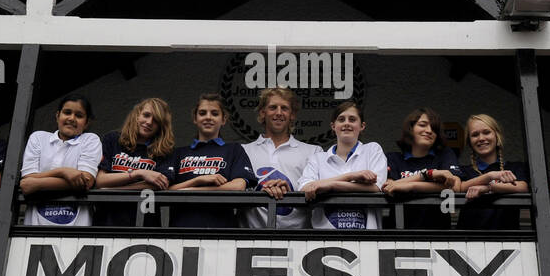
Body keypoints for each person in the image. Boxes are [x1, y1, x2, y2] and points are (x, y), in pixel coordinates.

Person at [166, 94, 257, 228]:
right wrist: (198, 180)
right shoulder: (178, 153)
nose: (208, 117)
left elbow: (238, 186)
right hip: (181, 228)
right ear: (195, 118)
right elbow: (166, 190)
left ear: (224, 119)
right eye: (202, 113)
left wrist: (191, 190)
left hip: (221, 230)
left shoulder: (233, 150)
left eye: (214, 113)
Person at [299, 101, 388, 230]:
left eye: (352, 119)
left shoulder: (372, 150)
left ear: (362, 126)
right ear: (333, 126)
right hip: (325, 238)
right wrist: (351, 176)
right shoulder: (317, 158)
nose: (347, 123)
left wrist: (330, 185)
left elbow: (377, 187)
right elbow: (305, 188)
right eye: (341, 119)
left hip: (368, 238)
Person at [20, 93, 103, 226]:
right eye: (67, 112)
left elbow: (86, 181)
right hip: (35, 225)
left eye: (79, 115)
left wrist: (38, 183)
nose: (72, 118)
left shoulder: (90, 140)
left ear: (87, 123)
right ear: (57, 115)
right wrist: (63, 172)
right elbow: (27, 181)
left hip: (77, 227)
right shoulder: (38, 138)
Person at [242, 87, 319, 230]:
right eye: (272, 107)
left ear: (292, 114)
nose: (278, 113)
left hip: (299, 241)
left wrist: (292, 192)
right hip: (251, 239)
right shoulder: (243, 151)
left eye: (284, 108)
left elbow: (318, 194)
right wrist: (261, 190)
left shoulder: (313, 152)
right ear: (262, 113)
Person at [94, 97, 176, 226]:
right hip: (108, 219)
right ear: (137, 115)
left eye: (156, 120)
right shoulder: (113, 139)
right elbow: (100, 181)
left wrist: (114, 188)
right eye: (146, 115)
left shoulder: (165, 151)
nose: (149, 122)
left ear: (161, 126)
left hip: (144, 224)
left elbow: (160, 184)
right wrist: (139, 173)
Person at [383, 107, 462, 229]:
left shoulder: (445, 155)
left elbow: (455, 186)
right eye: (422, 125)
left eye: (434, 128)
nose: (429, 130)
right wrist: (427, 175)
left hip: (437, 233)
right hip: (400, 234)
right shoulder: (393, 158)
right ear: (410, 128)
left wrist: (411, 186)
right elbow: (388, 187)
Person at [456, 114, 529, 230]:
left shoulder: (515, 167)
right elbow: (459, 187)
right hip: (469, 241)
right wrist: (489, 176)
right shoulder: (464, 171)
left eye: (486, 132)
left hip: (508, 240)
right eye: (475, 135)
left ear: (497, 136)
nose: (481, 138)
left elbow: (523, 187)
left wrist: (488, 188)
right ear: (469, 142)